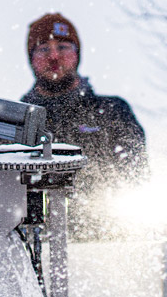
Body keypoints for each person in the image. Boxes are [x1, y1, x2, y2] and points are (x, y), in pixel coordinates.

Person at [19, 12, 148, 194]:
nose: (54, 56)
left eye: (63, 47)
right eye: (44, 49)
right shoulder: (14, 120)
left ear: (76, 54)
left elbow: (136, 176)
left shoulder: (113, 111)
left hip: (105, 210)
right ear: (32, 58)